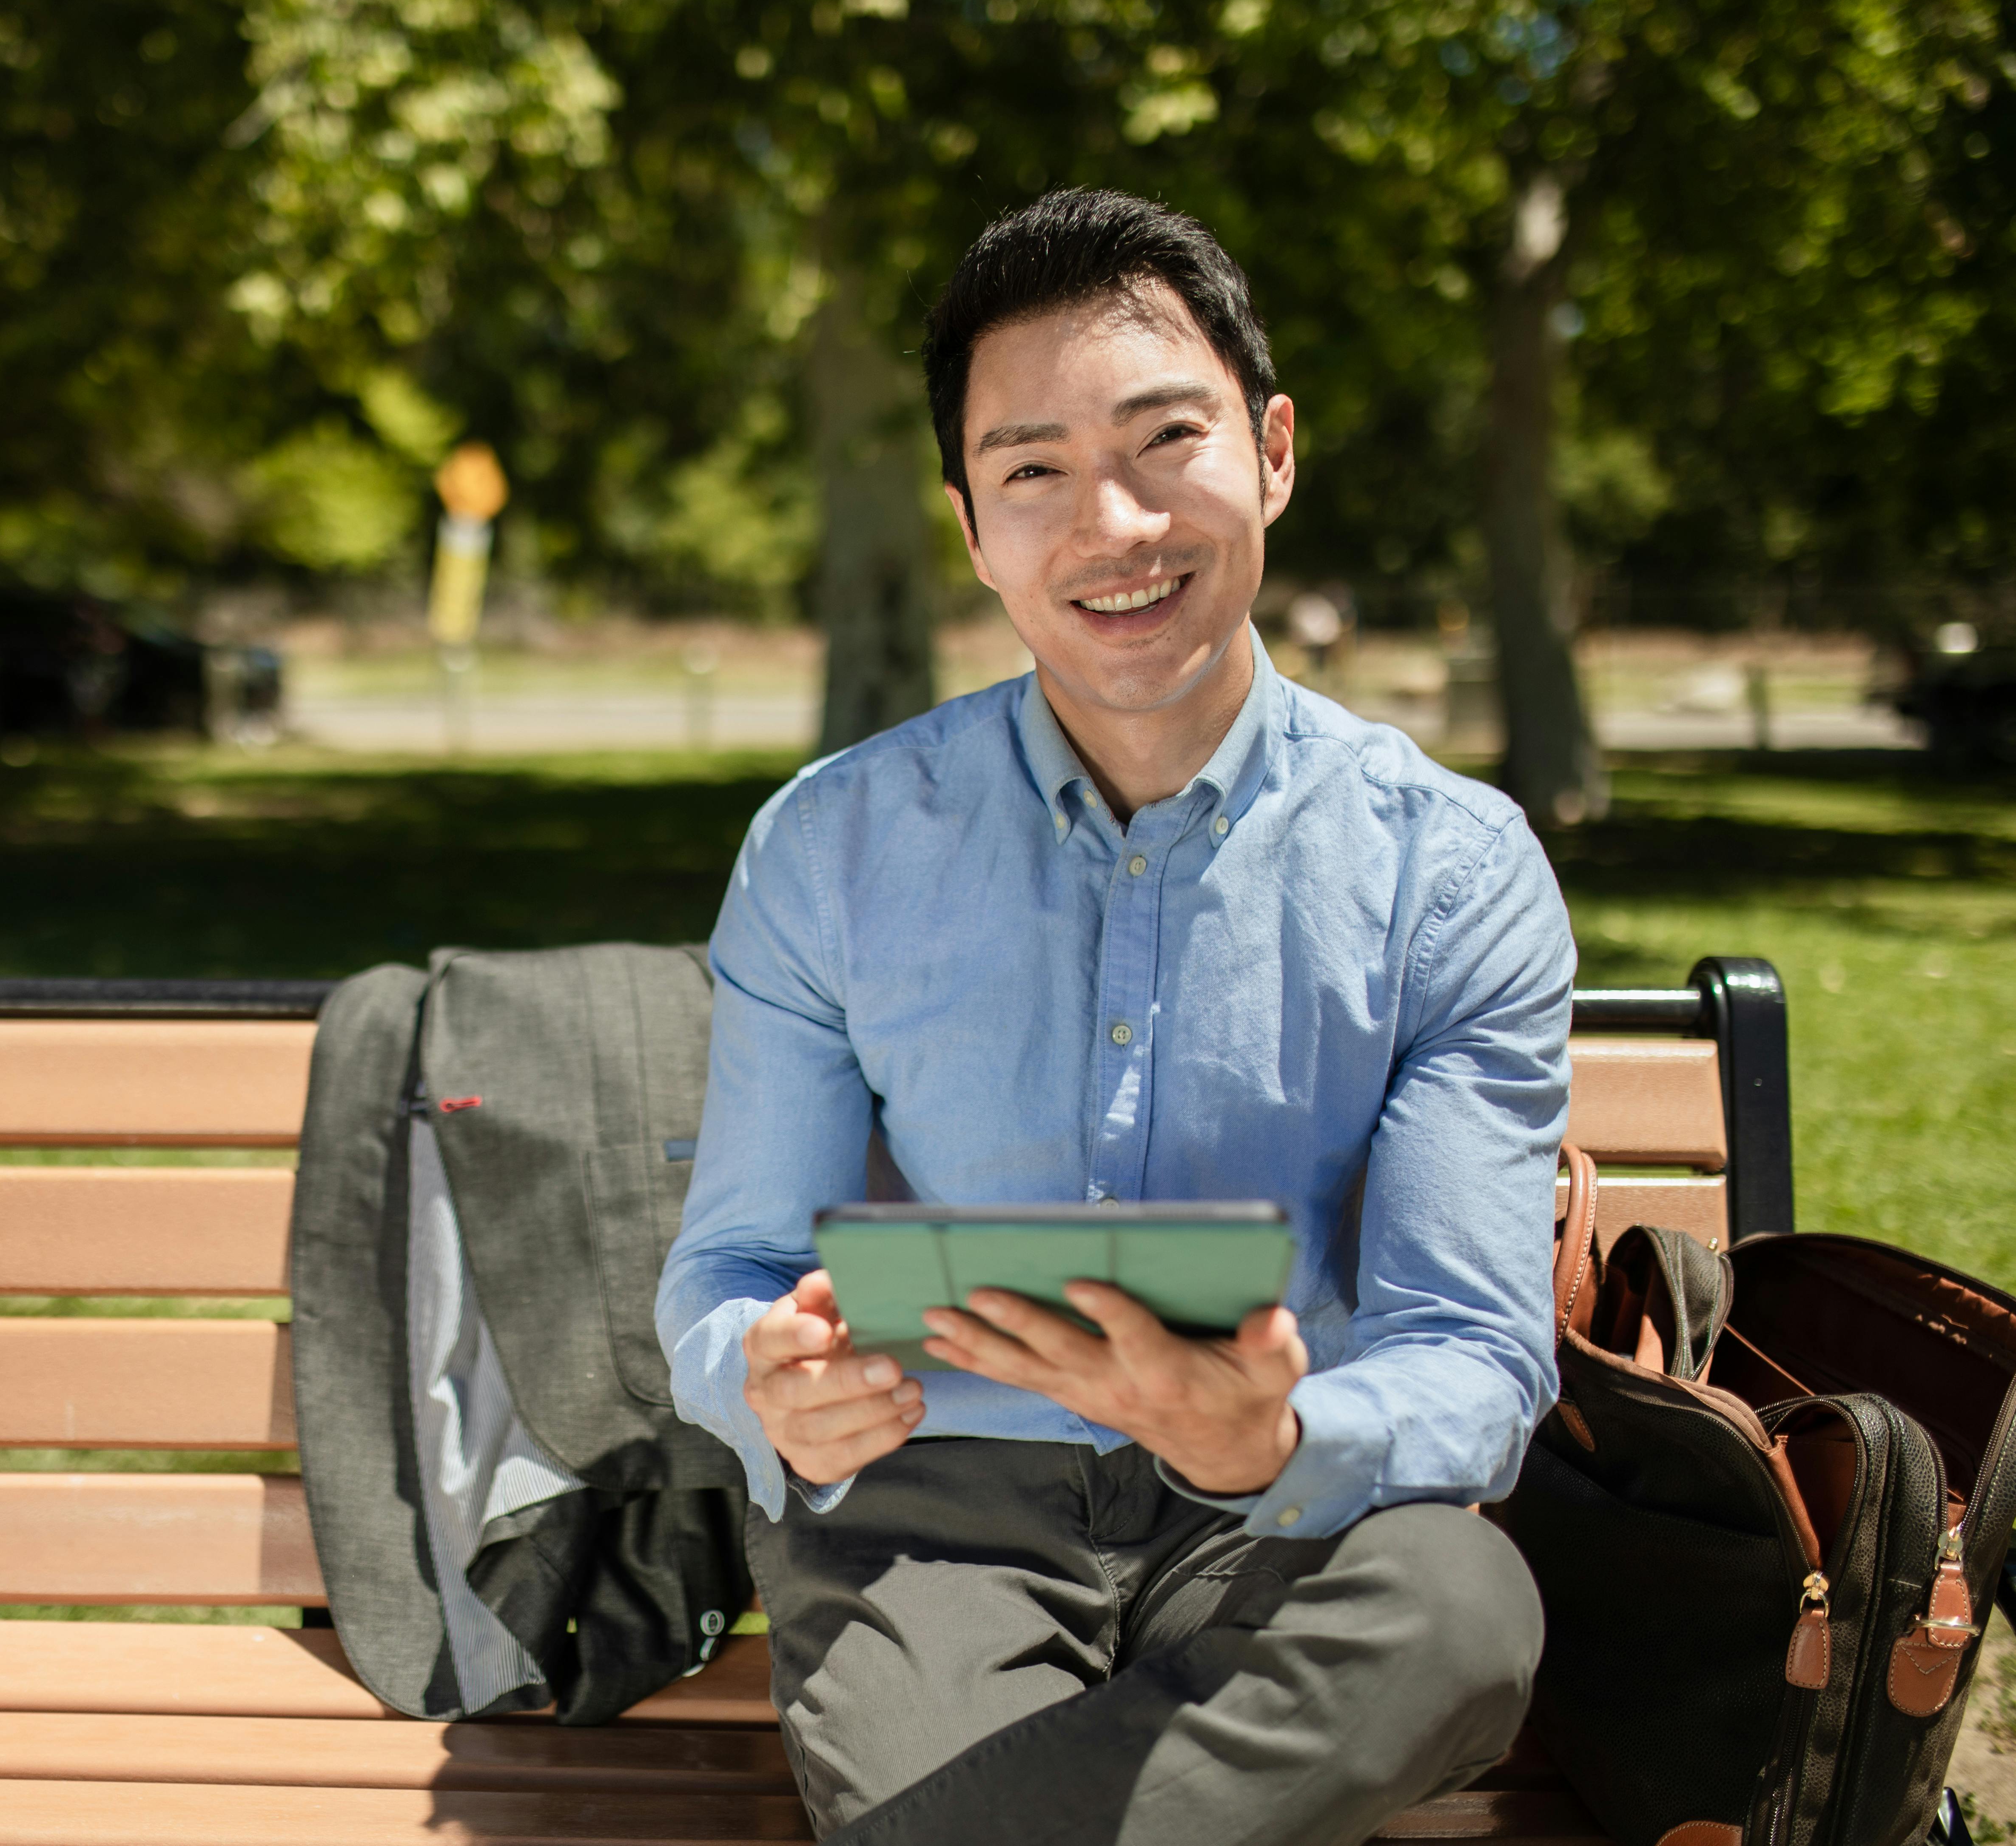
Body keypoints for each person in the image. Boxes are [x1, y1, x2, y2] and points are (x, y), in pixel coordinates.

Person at [657, 188, 1573, 1846]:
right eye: (1034, 472)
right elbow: (730, 1270)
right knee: (943, 1772)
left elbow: (1476, 1356)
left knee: (1459, 1614)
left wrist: (1277, 1432)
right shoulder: (832, 847)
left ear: (1272, 451)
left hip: (1284, 1516)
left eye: (1165, 441)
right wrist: (764, 1382)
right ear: (970, 525)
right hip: (935, 1510)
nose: (1116, 524)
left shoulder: (1448, 869)